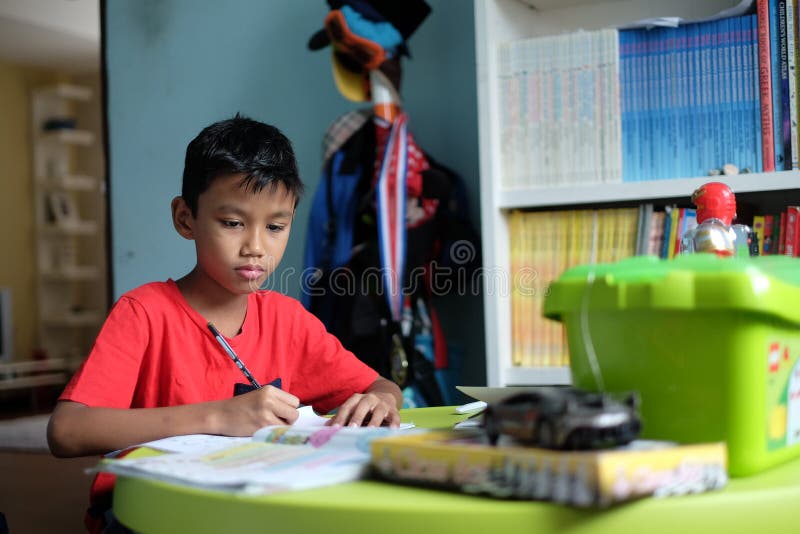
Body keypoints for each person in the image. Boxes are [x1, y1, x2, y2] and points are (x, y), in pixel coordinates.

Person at [47, 114, 402, 531]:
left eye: (275, 226)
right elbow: (66, 431)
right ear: (185, 218)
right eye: (232, 223)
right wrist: (219, 417)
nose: (255, 247)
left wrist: (381, 401)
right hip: (155, 512)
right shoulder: (144, 312)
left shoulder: (287, 320)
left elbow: (382, 386)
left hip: (252, 508)